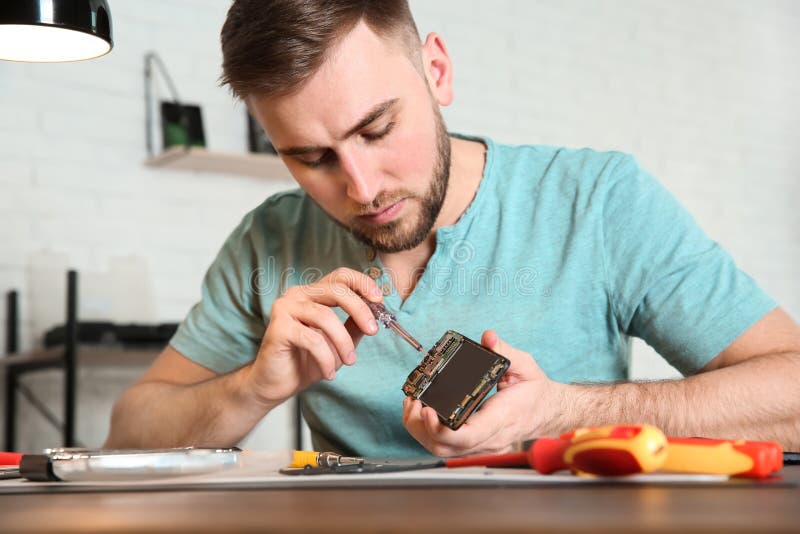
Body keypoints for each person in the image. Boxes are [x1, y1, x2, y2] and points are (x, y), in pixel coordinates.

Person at [105, 0, 800, 457]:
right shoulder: (268, 241)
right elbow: (129, 435)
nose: (361, 187)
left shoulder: (598, 200)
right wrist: (253, 387)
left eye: (377, 128)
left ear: (436, 71)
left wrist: (556, 411)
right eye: (310, 158)